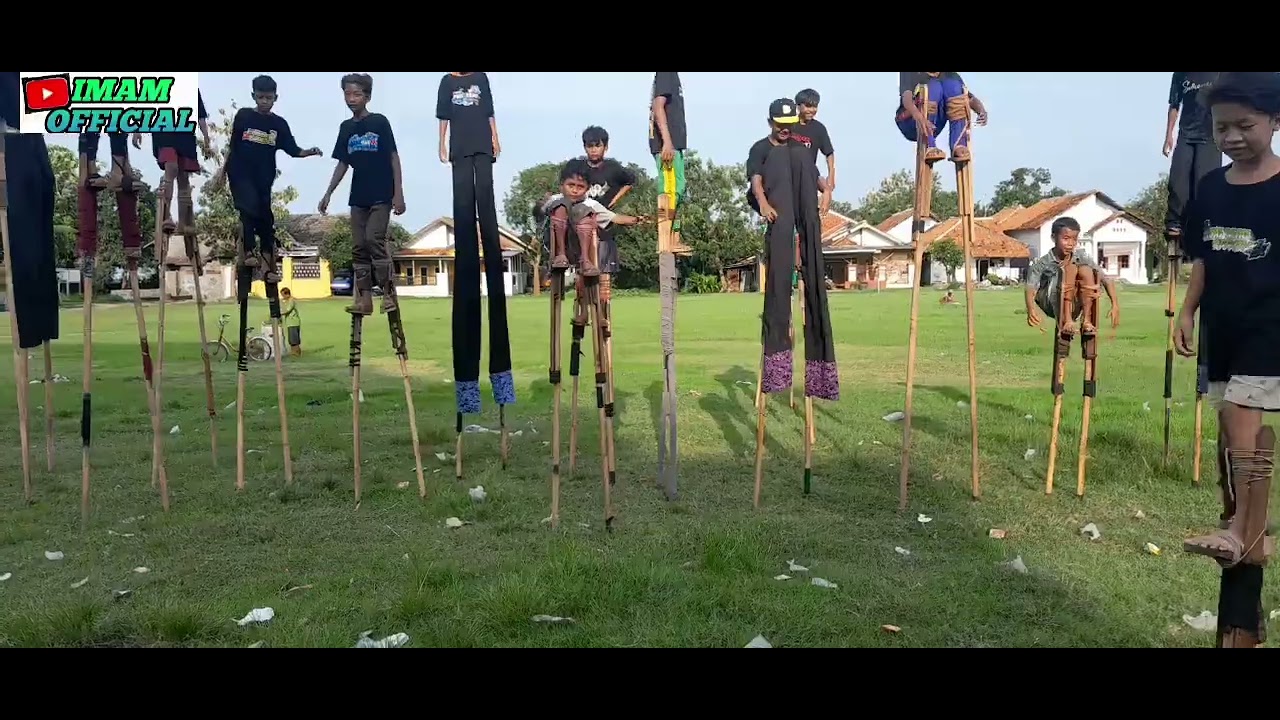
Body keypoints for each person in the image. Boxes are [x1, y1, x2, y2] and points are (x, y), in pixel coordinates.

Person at [1174, 72, 1280, 573]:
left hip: (1271, 327)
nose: (1232, 137)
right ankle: (1241, 522)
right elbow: (1203, 260)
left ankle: (1244, 530)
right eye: (1221, 128)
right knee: (1230, 425)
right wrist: (1187, 311)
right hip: (1225, 328)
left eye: (1245, 125)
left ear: (1275, 122)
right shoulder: (1212, 188)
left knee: (1242, 413)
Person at [436, 71, 515, 414]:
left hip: (482, 146)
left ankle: (501, 383)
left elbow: (489, 112)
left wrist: (496, 137)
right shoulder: (446, 82)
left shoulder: (481, 78)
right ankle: (467, 394)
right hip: (460, 149)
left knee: (486, 204)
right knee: (463, 215)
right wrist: (441, 143)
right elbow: (442, 117)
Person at [209, 75, 322, 281]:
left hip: (264, 179)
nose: (264, 102)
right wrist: (222, 174)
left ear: (275, 98)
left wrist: (309, 152)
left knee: (266, 223)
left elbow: (293, 150)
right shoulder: (243, 117)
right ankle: (249, 252)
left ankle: (268, 269)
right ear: (253, 96)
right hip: (241, 175)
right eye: (260, 97)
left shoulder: (279, 124)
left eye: (268, 98)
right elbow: (232, 146)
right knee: (248, 208)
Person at [319, 73, 405, 316]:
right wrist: (328, 193)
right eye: (347, 94)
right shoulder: (346, 128)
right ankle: (364, 299)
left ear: (367, 96)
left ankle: (387, 293)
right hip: (358, 196)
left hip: (381, 194)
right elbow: (342, 163)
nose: (351, 98)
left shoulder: (379, 122)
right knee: (358, 246)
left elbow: (393, 158)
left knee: (373, 240)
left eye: (357, 94)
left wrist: (398, 194)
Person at [537, 158, 647, 275]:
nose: (574, 190)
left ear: (587, 189)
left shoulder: (590, 204)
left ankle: (585, 260)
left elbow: (614, 218)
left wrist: (637, 219)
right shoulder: (555, 199)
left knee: (586, 213)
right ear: (561, 186)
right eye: (571, 185)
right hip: (555, 244)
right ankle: (561, 255)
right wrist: (540, 205)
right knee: (561, 206)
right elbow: (539, 214)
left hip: (578, 246)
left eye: (580, 187)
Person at [1024, 217, 1120, 336]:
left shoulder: (1080, 257)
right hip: (1052, 303)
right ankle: (1067, 320)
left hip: (1074, 302)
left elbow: (1105, 279)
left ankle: (1086, 320)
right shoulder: (1044, 262)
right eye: (1066, 239)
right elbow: (1030, 287)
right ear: (1054, 238)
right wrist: (1031, 310)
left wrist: (1115, 304)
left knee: (1086, 270)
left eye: (1074, 239)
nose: (1070, 244)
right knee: (1070, 268)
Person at [136, 90, 212, 237]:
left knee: (183, 177)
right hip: (164, 131)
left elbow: (200, 115)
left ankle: (183, 224)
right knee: (171, 168)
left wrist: (206, 138)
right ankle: (166, 216)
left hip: (185, 134)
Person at [1164, 73, 1223, 241]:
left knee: (1203, 181)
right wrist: (1168, 134)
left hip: (1210, 136)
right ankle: (1175, 223)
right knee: (1178, 177)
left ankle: (1205, 223)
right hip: (1186, 134)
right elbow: (1174, 104)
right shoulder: (1180, 74)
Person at [894, 72, 989, 163]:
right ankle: (928, 143)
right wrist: (919, 118)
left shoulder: (950, 75)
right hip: (910, 120)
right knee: (934, 87)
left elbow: (967, 96)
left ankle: (959, 144)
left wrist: (981, 111)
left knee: (953, 85)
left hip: (935, 121)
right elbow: (907, 100)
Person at [581, 125, 638, 275]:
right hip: (583, 224)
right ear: (585, 147)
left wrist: (614, 200)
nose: (594, 150)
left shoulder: (613, 168)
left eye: (598, 145)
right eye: (590, 146)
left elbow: (630, 181)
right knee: (583, 273)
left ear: (605, 147)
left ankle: (604, 298)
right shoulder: (579, 168)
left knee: (604, 274)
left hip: (604, 225)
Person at [650, 72, 691, 254]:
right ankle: (665, 238)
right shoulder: (665, 74)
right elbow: (658, 106)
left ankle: (674, 237)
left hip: (675, 145)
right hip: (668, 145)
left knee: (679, 189)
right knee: (669, 191)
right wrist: (667, 141)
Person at [792, 88, 835, 214]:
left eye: (815, 106)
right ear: (798, 106)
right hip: (788, 174)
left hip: (807, 175)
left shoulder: (819, 129)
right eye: (808, 106)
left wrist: (831, 177)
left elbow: (829, 153)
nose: (812, 110)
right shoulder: (789, 126)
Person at [280, 287, 301, 356]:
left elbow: (287, 310)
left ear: (287, 294)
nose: (282, 297)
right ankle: (294, 353)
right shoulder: (287, 301)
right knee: (292, 340)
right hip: (290, 323)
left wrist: (278, 313)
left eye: (283, 295)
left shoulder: (291, 300)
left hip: (293, 322)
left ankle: (296, 353)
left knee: (294, 340)